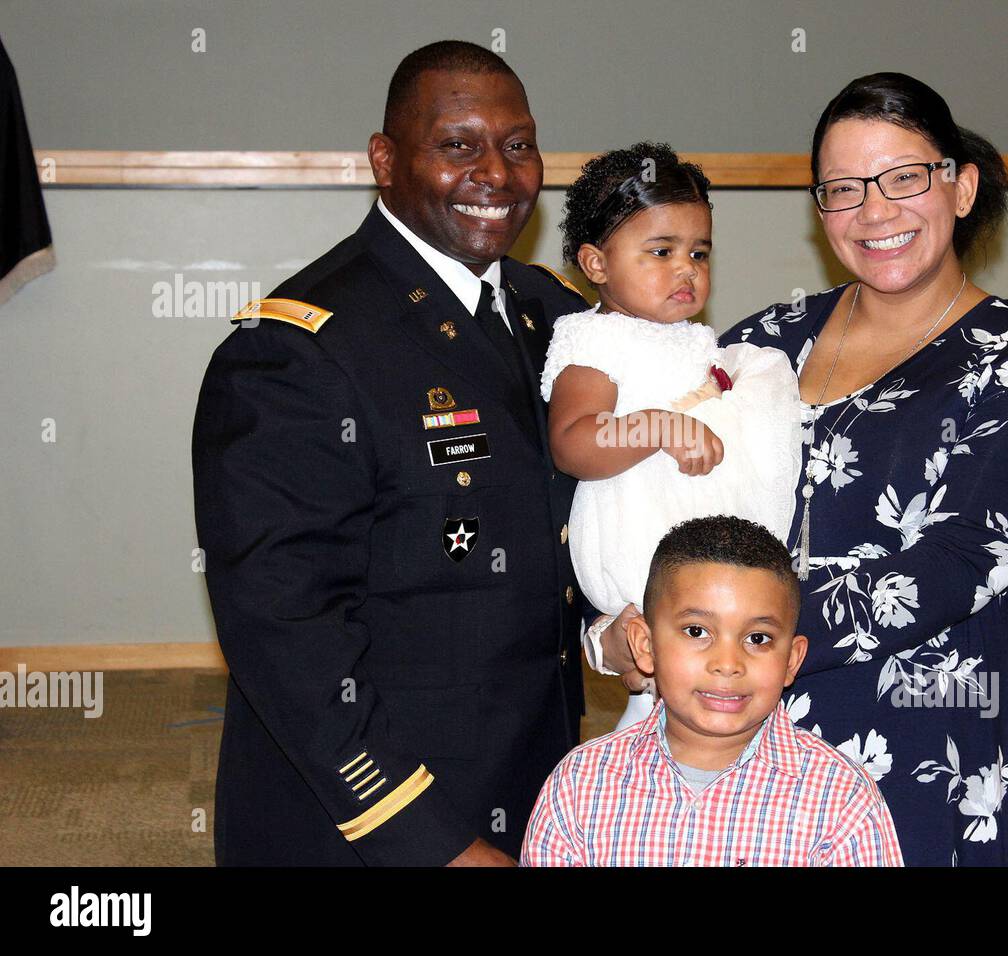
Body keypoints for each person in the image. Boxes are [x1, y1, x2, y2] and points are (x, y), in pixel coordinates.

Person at [192, 41, 600, 866]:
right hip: (372, 819)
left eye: (519, 145)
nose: (497, 172)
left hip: (536, 780)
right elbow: (286, 632)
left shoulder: (547, 314)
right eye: (458, 145)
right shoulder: (293, 352)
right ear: (384, 160)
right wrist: (431, 841)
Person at [718, 73, 1008, 865]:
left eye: (904, 178)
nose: (875, 211)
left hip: (924, 724)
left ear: (960, 188)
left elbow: (971, 560)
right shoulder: (764, 343)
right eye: (845, 189)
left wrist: (744, 631)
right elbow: (668, 491)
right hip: (736, 707)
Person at [540, 143, 801, 731]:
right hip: (646, 564)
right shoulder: (592, 341)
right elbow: (574, 442)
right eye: (661, 251)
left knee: (726, 709)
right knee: (659, 724)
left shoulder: (692, 338)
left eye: (699, 252)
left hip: (712, 557)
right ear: (597, 263)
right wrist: (655, 426)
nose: (686, 268)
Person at [520, 516, 903, 866]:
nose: (727, 662)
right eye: (696, 631)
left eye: (757, 638)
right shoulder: (581, 786)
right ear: (644, 645)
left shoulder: (840, 801)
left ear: (791, 660)